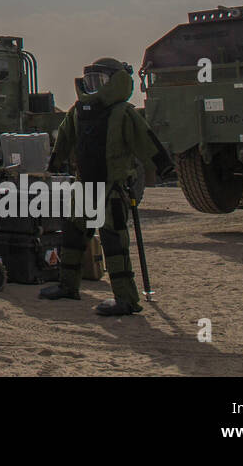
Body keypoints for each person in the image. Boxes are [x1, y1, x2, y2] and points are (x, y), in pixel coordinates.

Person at [39, 58, 174, 316]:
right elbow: (64, 139)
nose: (93, 87)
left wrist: (163, 166)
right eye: (90, 81)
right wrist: (55, 163)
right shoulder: (78, 111)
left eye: (99, 81)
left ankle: (125, 299)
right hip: (84, 185)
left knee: (114, 243)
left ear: (116, 82)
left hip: (112, 187)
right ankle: (68, 286)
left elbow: (145, 140)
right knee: (72, 237)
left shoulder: (122, 113)